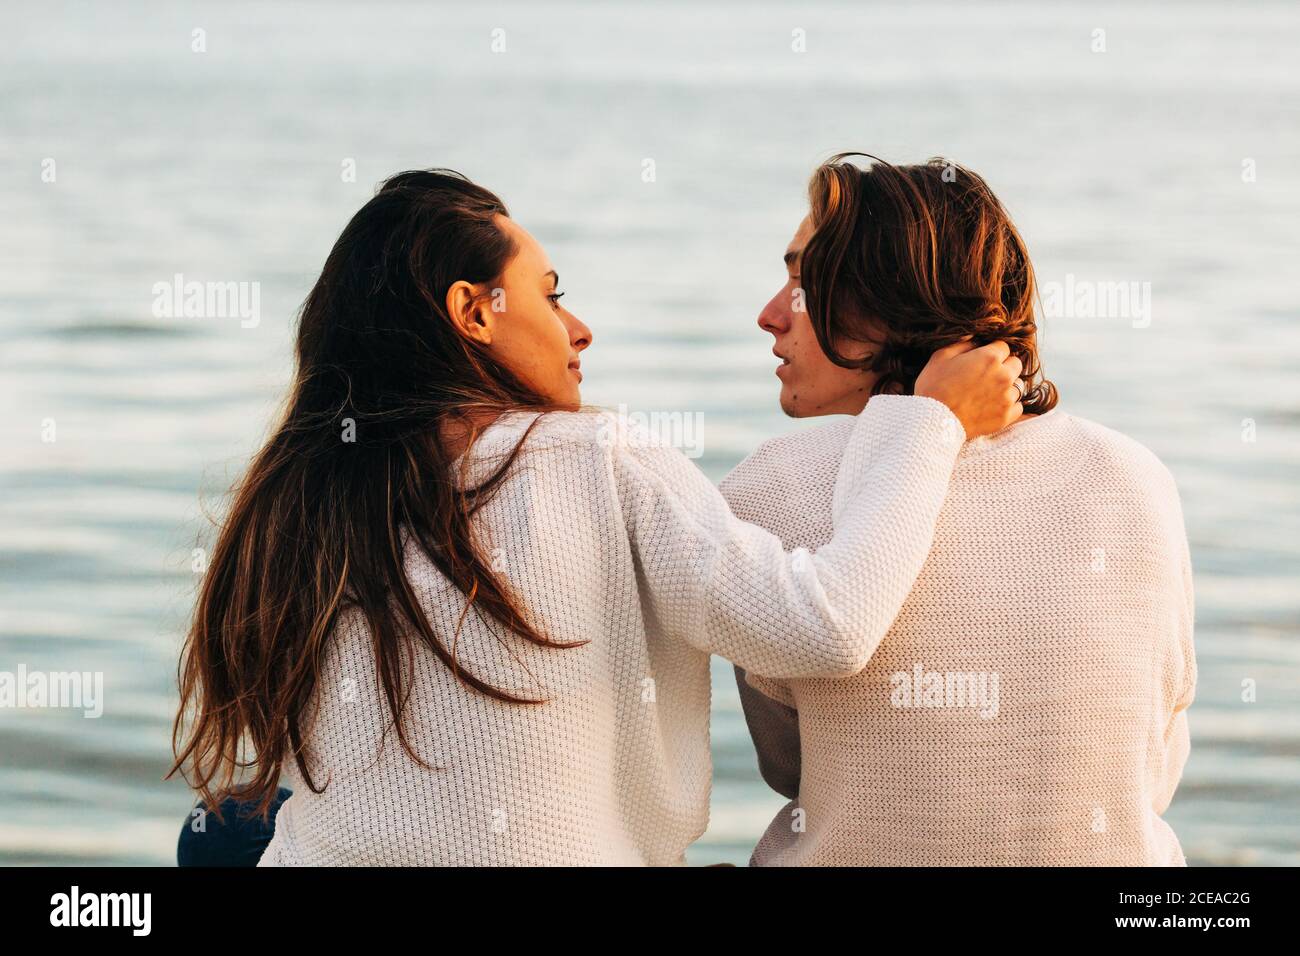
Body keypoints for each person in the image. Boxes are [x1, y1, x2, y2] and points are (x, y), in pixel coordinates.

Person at [170, 168, 1023, 865]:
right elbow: (826, 625)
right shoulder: (596, 457)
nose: (579, 330)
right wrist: (931, 423)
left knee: (217, 835)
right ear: (474, 314)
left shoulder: (300, 493)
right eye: (548, 297)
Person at [730, 154, 1196, 866]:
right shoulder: (1138, 476)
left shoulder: (773, 488)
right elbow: (1149, 761)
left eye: (802, 280)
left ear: (886, 298)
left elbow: (790, 767)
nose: (769, 315)